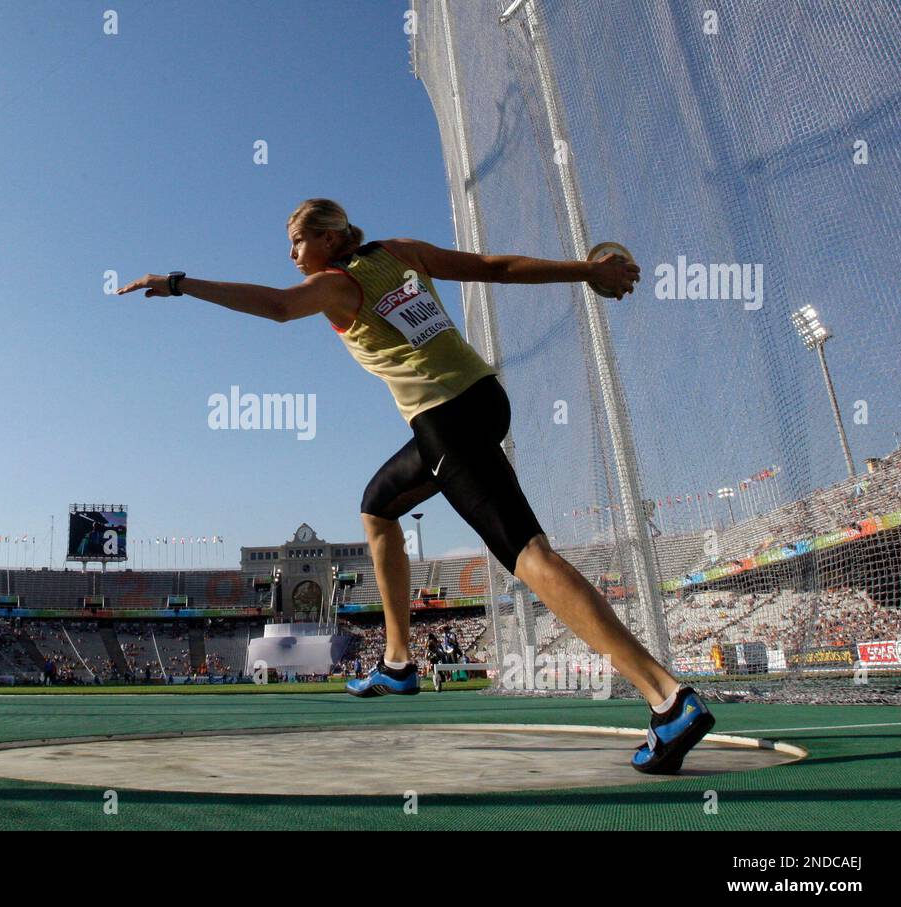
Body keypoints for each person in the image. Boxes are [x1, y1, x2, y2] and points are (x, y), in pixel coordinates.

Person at [116, 198, 714, 774]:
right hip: (483, 400)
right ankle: (398, 661)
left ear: (328, 237)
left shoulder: (336, 285)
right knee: (377, 508)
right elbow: (492, 269)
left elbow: (275, 306)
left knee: (528, 554)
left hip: (444, 420)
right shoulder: (399, 251)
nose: (293, 254)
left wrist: (180, 283)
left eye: (297, 241)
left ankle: (666, 697)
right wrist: (586, 270)